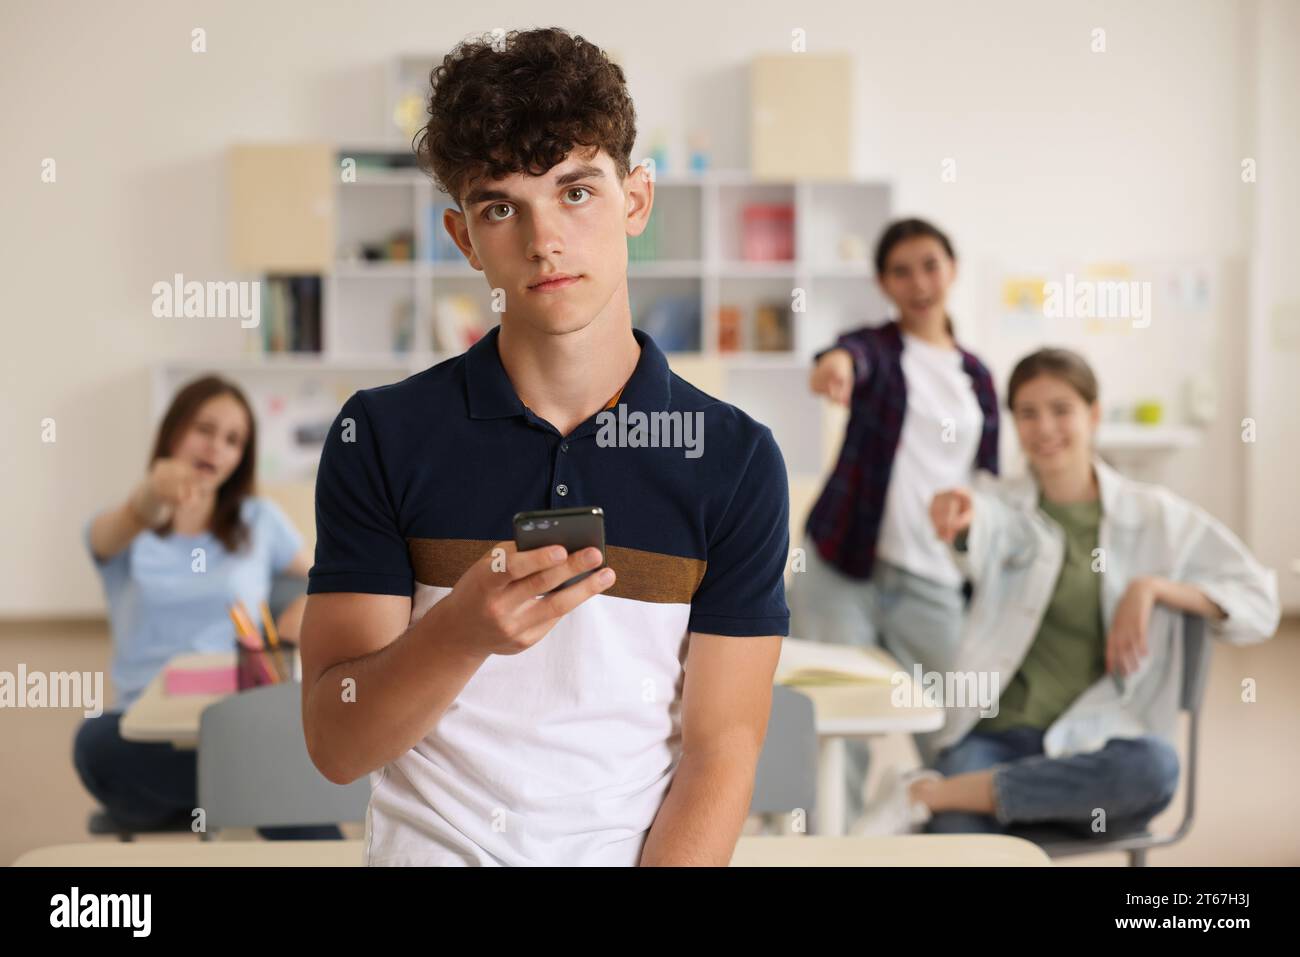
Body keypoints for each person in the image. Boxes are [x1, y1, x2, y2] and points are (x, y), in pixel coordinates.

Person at [299, 27, 790, 867]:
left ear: (635, 200)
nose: (542, 240)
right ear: (463, 237)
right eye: (501, 207)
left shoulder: (736, 458)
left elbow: (722, 750)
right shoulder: (378, 434)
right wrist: (457, 632)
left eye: (575, 192)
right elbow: (339, 745)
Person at [857, 348, 1280, 836]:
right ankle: (993, 798)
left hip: (1099, 738)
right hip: (997, 735)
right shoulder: (999, 505)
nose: (1044, 427)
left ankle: (926, 794)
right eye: (1028, 413)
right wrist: (959, 518)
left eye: (1061, 409)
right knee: (956, 835)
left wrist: (1153, 588)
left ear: (1093, 414)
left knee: (1154, 770)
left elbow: (1259, 601)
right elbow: (976, 531)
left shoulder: (1155, 515)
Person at [789, 218, 999, 821]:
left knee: (953, 723)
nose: (918, 282)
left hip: (931, 577)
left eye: (930, 265)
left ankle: (954, 829)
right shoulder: (875, 349)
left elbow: (987, 480)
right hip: (842, 568)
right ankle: (823, 851)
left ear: (952, 270)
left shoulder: (978, 377)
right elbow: (845, 357)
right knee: (834, 725)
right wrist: (835, 367)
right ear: (884, 282)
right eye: (901, 271)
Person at [77, 374, 341, 840]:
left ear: (241, 457)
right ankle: (238, 793)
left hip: (237, 717)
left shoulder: (259, 520)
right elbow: (109, 532)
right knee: (95, 745)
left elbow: (332, 579)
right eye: (204, 428)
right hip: (148, 728)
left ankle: (218, 795)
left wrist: (304, 609)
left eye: (233, 439)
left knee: (281, 747)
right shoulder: (124, 526)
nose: (216, 447)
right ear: (174, 430)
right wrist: (150, 498)